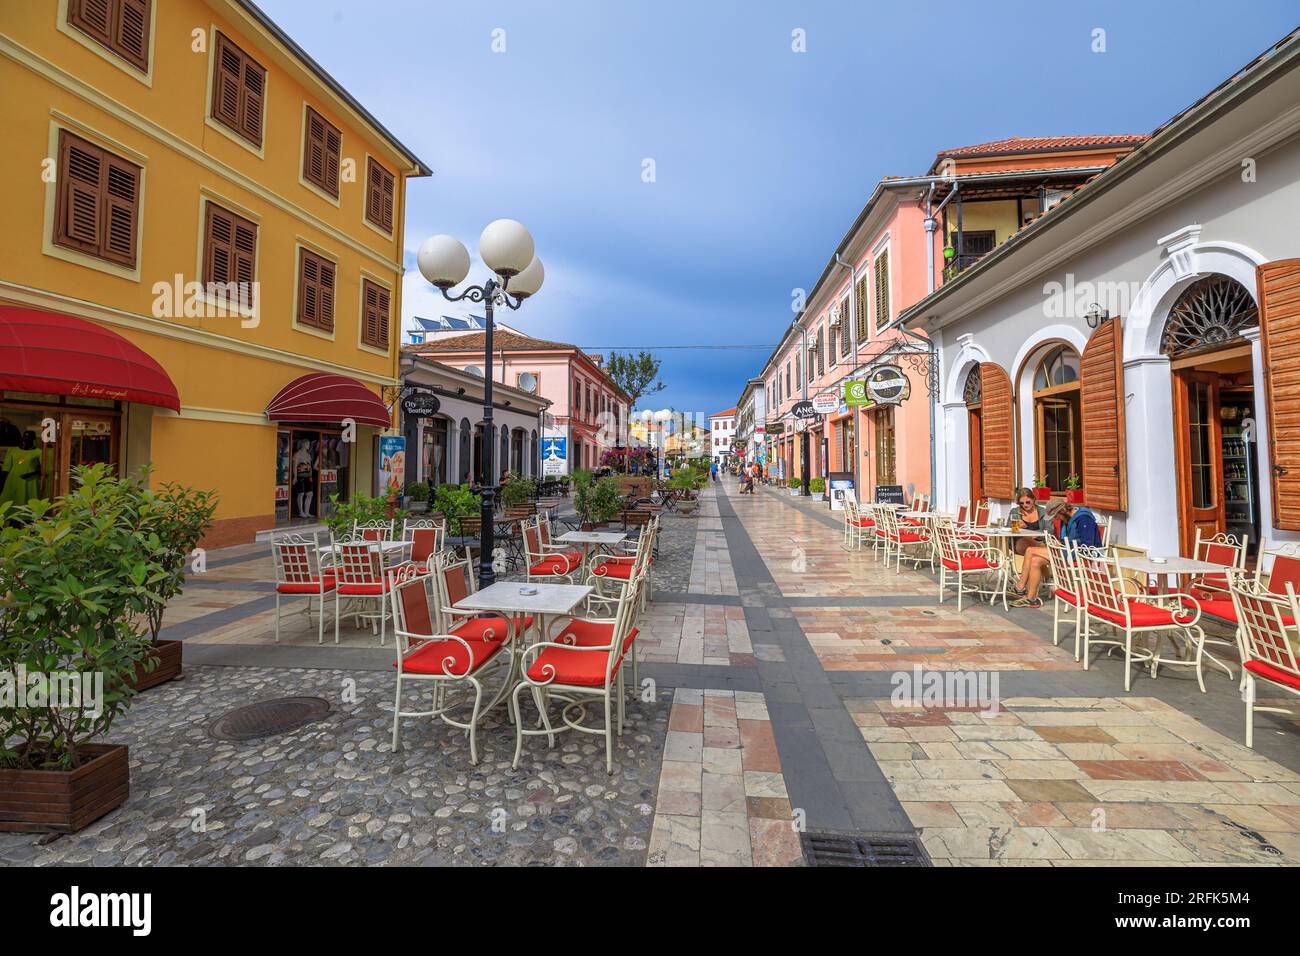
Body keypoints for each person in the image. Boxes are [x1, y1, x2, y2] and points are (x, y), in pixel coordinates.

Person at [1010, 500, 1101, 608]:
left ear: (1062, 510)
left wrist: (1061, 544)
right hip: (1068, 549)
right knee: (1035, 561)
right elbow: (1066, 539)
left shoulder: (1084, 518)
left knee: (1030, 550)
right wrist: (1058, 542)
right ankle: (1031, 599)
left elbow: (1087, 544)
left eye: (1056, 516)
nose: (1056, 519)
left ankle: (1020, 587)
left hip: (1082, 553)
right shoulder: (1066, 518)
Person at [1005, 487, 1048, 557]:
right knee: (1027, 543)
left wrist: (1034, 534)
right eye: (1021, 503)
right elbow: (1008, 528)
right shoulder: (1015, 511)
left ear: (1033, 499)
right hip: (1020, 541)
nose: (1025, 505)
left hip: (1041, 540)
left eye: (1028, 502)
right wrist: (1017, 527)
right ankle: (1045, 550)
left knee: (1035, 558)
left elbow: (1050, 530)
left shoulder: (1043, 512)